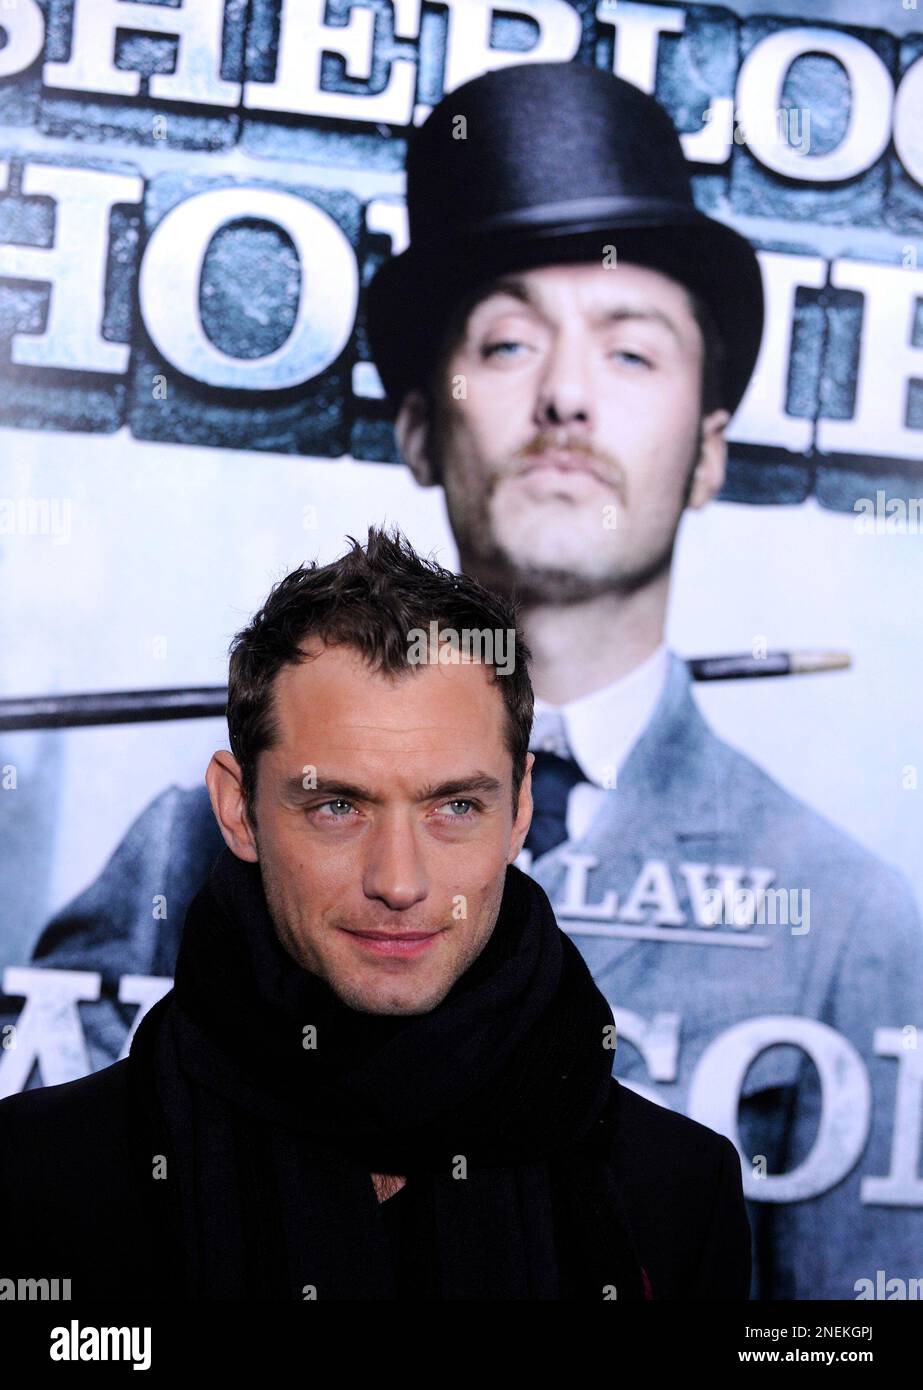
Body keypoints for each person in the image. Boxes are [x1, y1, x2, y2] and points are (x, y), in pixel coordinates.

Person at [7, 62, 921, 1300]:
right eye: (503, 341)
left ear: (709, 451)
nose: (562, 394)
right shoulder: (177, 853)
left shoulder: (858, 916)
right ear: (422, 430)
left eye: (631, 350)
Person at [0, 528, 750, 1301]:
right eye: (336, 807)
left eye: (455, 805)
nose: (398, 881)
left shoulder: (676, 1194)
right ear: (237, 809)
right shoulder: (35, 1176)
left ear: (520, 805)